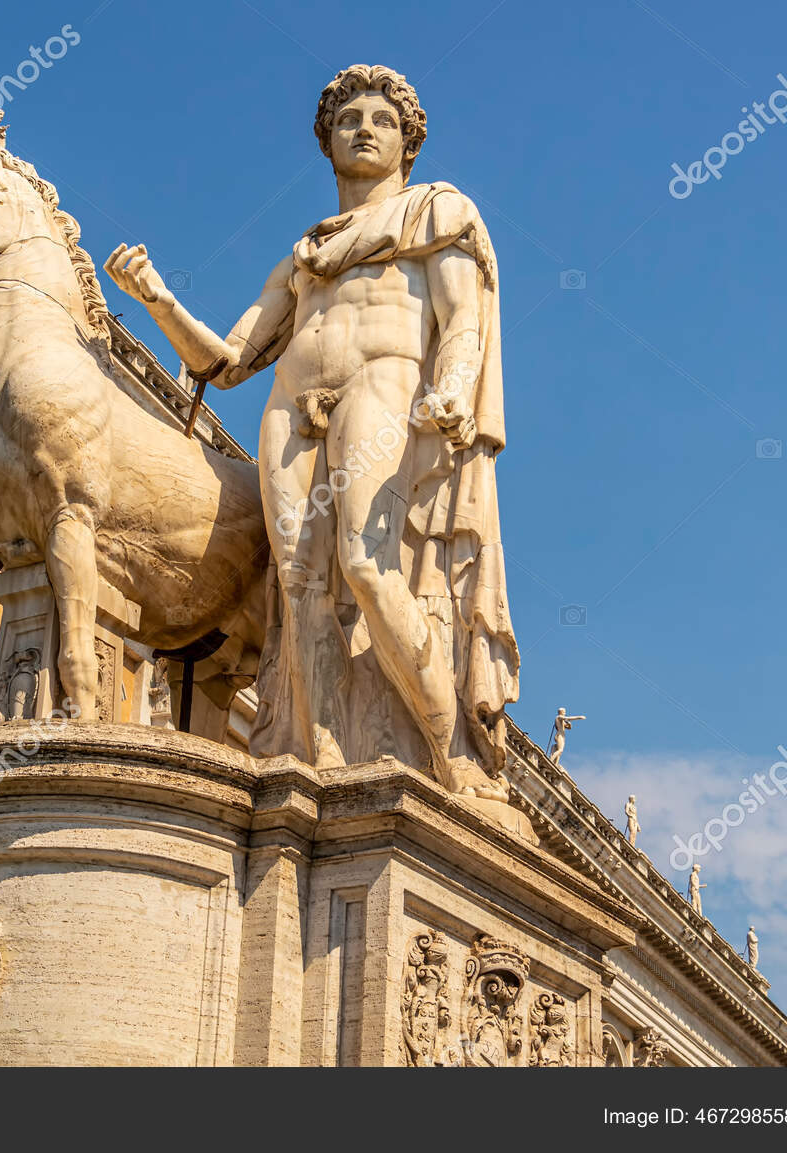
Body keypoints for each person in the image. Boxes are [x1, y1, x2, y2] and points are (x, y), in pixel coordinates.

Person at [103, 64, 519, 802]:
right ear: (326, 143)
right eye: (348, 119)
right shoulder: (302, 256)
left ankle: (448, 747)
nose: (364, 128)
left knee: (364, 560)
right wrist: (161, 301)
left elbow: (462, 323)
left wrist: (452, 390)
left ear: (408, 145)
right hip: (291, 402)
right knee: (298, 587)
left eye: (382, 120)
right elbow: (227, 362)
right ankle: (319, 759)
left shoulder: (436, 213)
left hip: (385, 381)